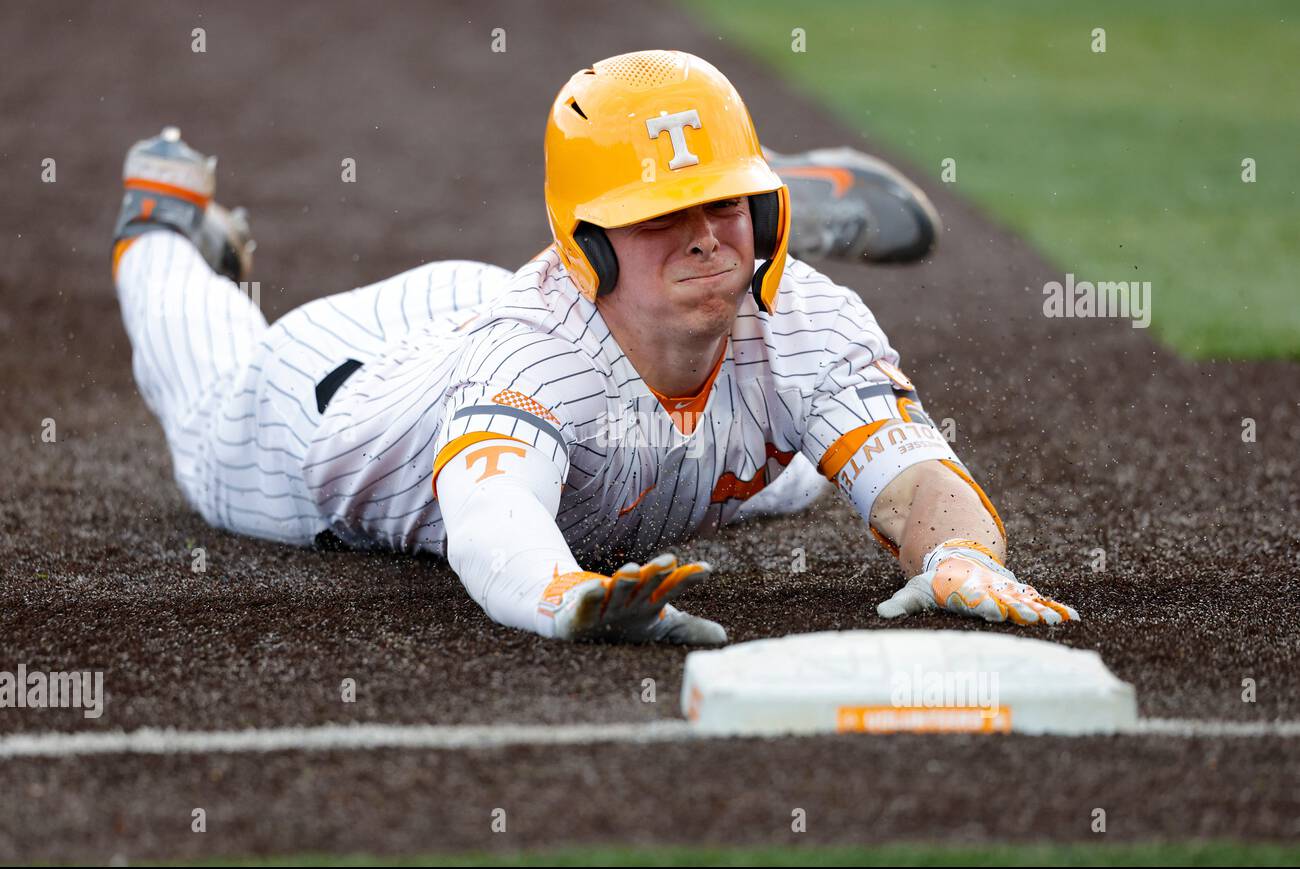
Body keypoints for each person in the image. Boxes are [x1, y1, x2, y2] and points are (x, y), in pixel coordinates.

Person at [110, 49, 1078, 644]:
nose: (704, 234)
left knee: (803, 461)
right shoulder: (529, 357)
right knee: (203, 399)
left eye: (722, 202)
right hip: (330, 395)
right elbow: (492, 524)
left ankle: (712, 176)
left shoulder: (802, 318)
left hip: (536, 326)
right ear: (587, 242)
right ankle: (159, 223)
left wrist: (956, 552)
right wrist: (562, 594)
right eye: (663, 210)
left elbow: (913, 475)